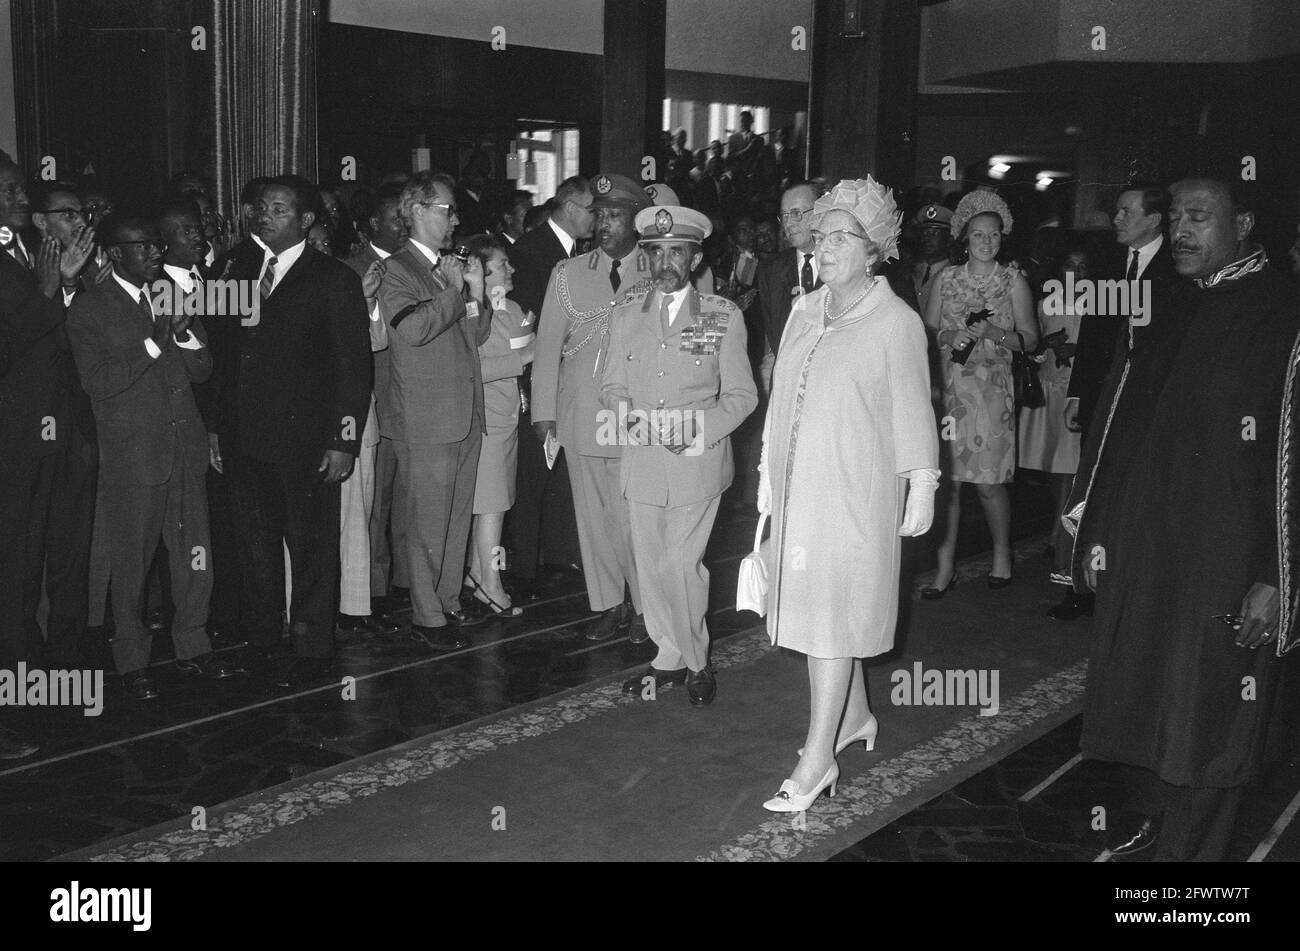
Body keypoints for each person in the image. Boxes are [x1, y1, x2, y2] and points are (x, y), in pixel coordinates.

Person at [1063, 170, 1299, 861]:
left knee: (1211, 719)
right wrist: (1098, 531)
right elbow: (1123, 430)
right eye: (1176, 218)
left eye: (1200, 216)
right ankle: (1151, 825)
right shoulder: (1166, 306)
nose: (1182, 231)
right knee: (1142, 693)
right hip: (1149, 546)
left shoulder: (1283, 315)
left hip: (1230, 558)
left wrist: (1278, 575)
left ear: (1244, 224)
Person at [758, 177, 938, 811]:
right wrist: (765, 475)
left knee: (830, 623)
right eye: (822, 235)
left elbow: (915, 408)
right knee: (818, 612)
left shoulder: (896, 322)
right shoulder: (804, 310)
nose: (824, 246)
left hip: (856, 494)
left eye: (841, 237)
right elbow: (781, 400)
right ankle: (856, 716)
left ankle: (817, 760)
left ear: (874, 250)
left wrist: (922, 484)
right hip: (800, 490)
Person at [206, 175, 372, 688]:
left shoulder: (333, 278)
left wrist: (343, 441)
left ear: (306, 220)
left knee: (311, 547)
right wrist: (215, 428)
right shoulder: (235, 270)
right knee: (254, 545)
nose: (265, 217)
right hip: (244, 438)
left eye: (278, 209)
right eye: (259, 208)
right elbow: (223, 356)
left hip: (306, 442)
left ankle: (312, 646)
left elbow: (353, 368)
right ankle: (262, 639)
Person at [68, 213, 239, 699]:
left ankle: (194, 645)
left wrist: (183, 335)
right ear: (115, 254)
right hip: (134, 456)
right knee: (132, 563)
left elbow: (203, 370)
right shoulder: (89, 307)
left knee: (195, 556)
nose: (155, 253)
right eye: (142, 246)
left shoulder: (170, 294)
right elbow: (97, 383)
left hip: (184, 448)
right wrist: (154, 342)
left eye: (156, 245)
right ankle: (132, 659)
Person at [600, 203, 758, 705]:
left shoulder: (719, 316)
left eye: (677, 253)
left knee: (680, 563)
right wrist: (628, 417)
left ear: (695, 258)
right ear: (645, 257)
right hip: (642, 460)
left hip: (697, 463)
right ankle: (668, 654)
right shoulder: (626, 316)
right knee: (650, 565)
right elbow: (611, 386)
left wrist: (695, 429)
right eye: (656, 252)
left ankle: (696, 660)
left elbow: (742, 396)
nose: (665, 262)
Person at [376, 170, 493, 649]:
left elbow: (477, 334)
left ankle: (448, 600)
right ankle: (427, 616)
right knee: (425, 522)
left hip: (464, 412)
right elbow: (413, 330)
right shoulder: (395, 269)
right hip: (425, 417)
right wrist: (451, 290)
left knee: (456, 518)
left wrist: (476, 293)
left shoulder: (449, 267)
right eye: (448, 210)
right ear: (418, 211)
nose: (455, 220)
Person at [533, 173, 651, 642]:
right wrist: (543, 414)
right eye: (599, 215)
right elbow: (547, 348)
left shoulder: (660, 268)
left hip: (635, 417)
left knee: (634, 520)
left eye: (614, 215)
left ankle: (644, 606)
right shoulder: (568, 274)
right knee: (593, 519)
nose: (603, 224)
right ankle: (608, 604)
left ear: (636, 219)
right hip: (582, 413)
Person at [921, 190, 1036, 596]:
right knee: (949, 484)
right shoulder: (946, 279)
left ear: (1003, 237)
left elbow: (1030, 340)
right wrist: (947, 335)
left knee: (989, 483)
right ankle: (944, 567)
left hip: (992, 393)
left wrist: (996, 333)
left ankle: (1002, 554)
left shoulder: (1013, 281)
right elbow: (927, 331)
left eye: (994, 235)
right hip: (951, 390)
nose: (987, 242)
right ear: (965, 238)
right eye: (978, 235)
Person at [505, 177, 592, 594]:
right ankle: (525, 569)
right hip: (538, 378)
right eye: (592, 210)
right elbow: (526, 322)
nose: (596, 220)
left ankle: (557, 557)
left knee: (558, 473)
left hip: (568, 378)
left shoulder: (576, 252)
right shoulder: (532, 250)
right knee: (533, 475)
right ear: (570, 207)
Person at [29, 183, 100, 668]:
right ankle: (26, 653)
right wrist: (57, 286)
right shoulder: (20, 271)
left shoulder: (91, 272)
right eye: (68, 214)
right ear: (40, 221)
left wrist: (73, 286)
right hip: (28, 432)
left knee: (73, 548)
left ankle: (66, 651)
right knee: (27, 550)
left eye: (82, 213)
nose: (80, 222)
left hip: (76, 430)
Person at [344, 182, 409, 623]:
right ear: (373, 224)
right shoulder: (352, 269)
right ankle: (372, 588)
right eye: (394, 219)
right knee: (372, 500)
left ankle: (400, 581)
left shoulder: (413, 265)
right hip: (375, 395)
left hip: (411, 396)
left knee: (402, 498)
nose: (402, 226)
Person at [1067, 183, 1174, 439]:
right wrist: (1077, 394)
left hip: (1151, 396)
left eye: (1126, 212)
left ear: (1153, 219)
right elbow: (1091, 332)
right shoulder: (1105, 260)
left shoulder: (1176, 266)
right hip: (1100, 393)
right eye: (1117, 211)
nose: (1116, 219)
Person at [1017, 244, 1088, 619]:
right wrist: (1043, 349)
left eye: (1082, 266)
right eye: (1070, 264)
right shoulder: (1047, 301)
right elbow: (1037, 341)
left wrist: (1072, 349)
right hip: (1049, 386)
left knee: (1069, 470)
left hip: (1073, 390)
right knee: (1053, 470)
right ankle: (1055, 532)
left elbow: (1096, 348)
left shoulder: (1098, 303)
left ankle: (1062, 539)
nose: (1076, 271)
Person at [464, 234, 533, 615]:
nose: (512, 269)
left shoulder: (511, 306)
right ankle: (491, 584)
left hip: (508, 419)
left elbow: (530, 344)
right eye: (503, 264)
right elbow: (473, 368)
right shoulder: (471, 311)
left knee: (496, 503)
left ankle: (479, 573)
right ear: (482, 272)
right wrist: (522, 358)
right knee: (492, 506)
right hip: (486, 421)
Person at [910, 203, 953, 316]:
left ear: (949, 239)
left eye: (935, 234)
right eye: (924, 233)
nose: (927, 238)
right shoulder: (910, 270)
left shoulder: (955, 276)